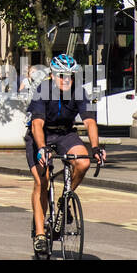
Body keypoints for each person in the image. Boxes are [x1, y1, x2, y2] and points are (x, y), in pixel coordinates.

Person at [26, 54, 105, 257]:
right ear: (52, 75)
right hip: (41, 135)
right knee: (42, 182)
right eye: (62, 75)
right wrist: (42, 148)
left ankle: (65, 197)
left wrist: (95, 148)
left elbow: (89, 121)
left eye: (70, 75)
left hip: (65, 134)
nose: (66, 79)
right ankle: (41, 235)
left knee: (83, 161)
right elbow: (37, 124)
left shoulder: (79, 91)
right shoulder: (42, 90)